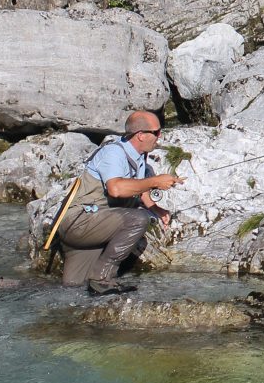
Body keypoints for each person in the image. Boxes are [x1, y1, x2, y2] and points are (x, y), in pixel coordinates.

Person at [55, 110, 181, 294]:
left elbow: (137, 188)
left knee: (72, 291)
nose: (159, 136)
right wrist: (155, 181)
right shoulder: (113, 153)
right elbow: (116, 188)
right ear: (140, 135)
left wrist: (156, 209)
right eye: (156, 132)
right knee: (138, 219)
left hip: (93, 229)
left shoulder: (139, 157)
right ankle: (103, 277)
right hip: (80, 223)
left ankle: (8, 288)